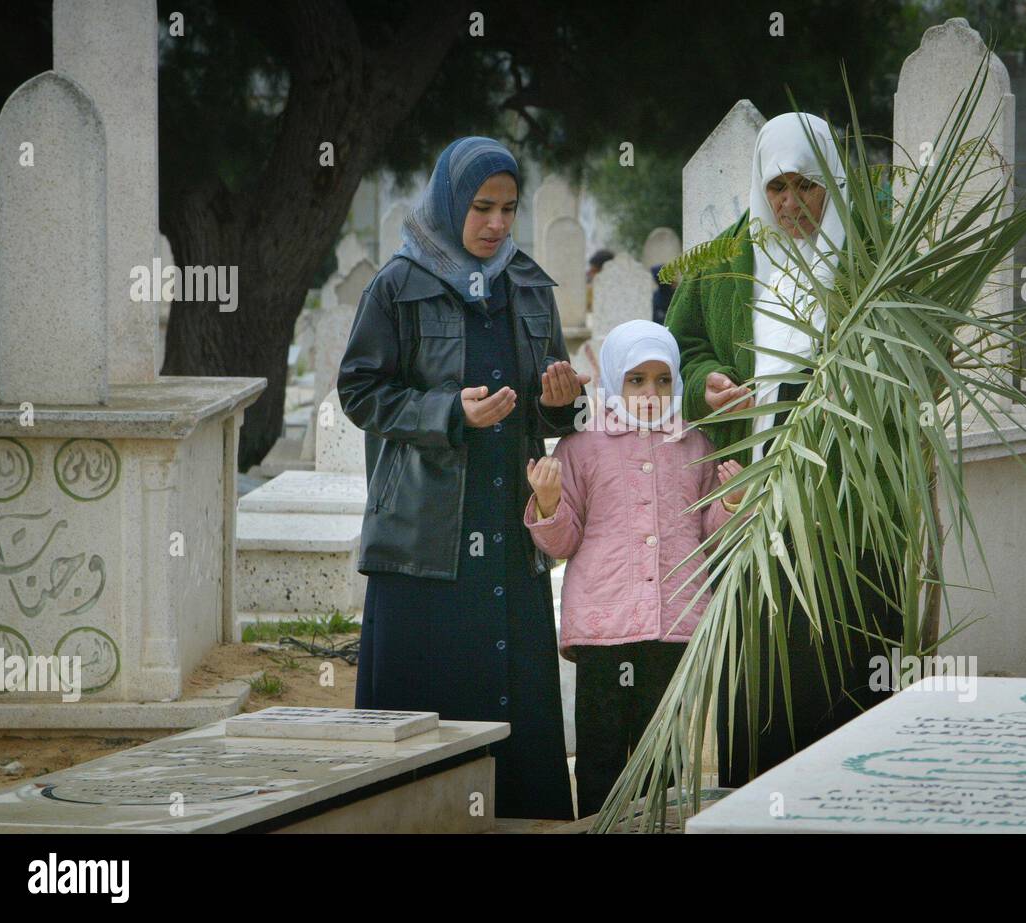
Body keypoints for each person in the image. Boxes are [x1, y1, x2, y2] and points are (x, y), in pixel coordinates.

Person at [337, 136, 590, 821]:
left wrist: (562, 403)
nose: (498, 224)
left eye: (509, 209)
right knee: (428, 701)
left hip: (508, 528)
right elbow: (360, 391)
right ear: (451, 204)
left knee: (508, 697)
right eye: (482, 207)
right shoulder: (398, 285)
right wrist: (449, 411)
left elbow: (558, 409)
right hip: (424, 534)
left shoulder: (528, 285)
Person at [664, 112, 904, 788]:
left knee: (843, 649)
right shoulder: (719, 261)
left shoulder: (871, 260)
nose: (789, 204)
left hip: (849, 501)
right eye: (776, 187)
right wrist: (702, 385)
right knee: (763, 656)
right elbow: (680, 347)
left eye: (806, 186)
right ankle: (757, 799)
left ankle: (849, 800)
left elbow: (917, 354)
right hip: (750, 494)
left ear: (831, 184)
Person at [522, 319, 745, 818]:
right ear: (614, 378)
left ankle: (657, 828)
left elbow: (710, 535)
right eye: (636, 379)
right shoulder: (582, 445)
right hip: (605, 630)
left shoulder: (696, 444)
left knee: (664, 752)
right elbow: (564, 542)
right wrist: (550, 500)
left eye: (663, 380)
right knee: (600, 751)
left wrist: (730, 502)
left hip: (674, 624)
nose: (650, 392)